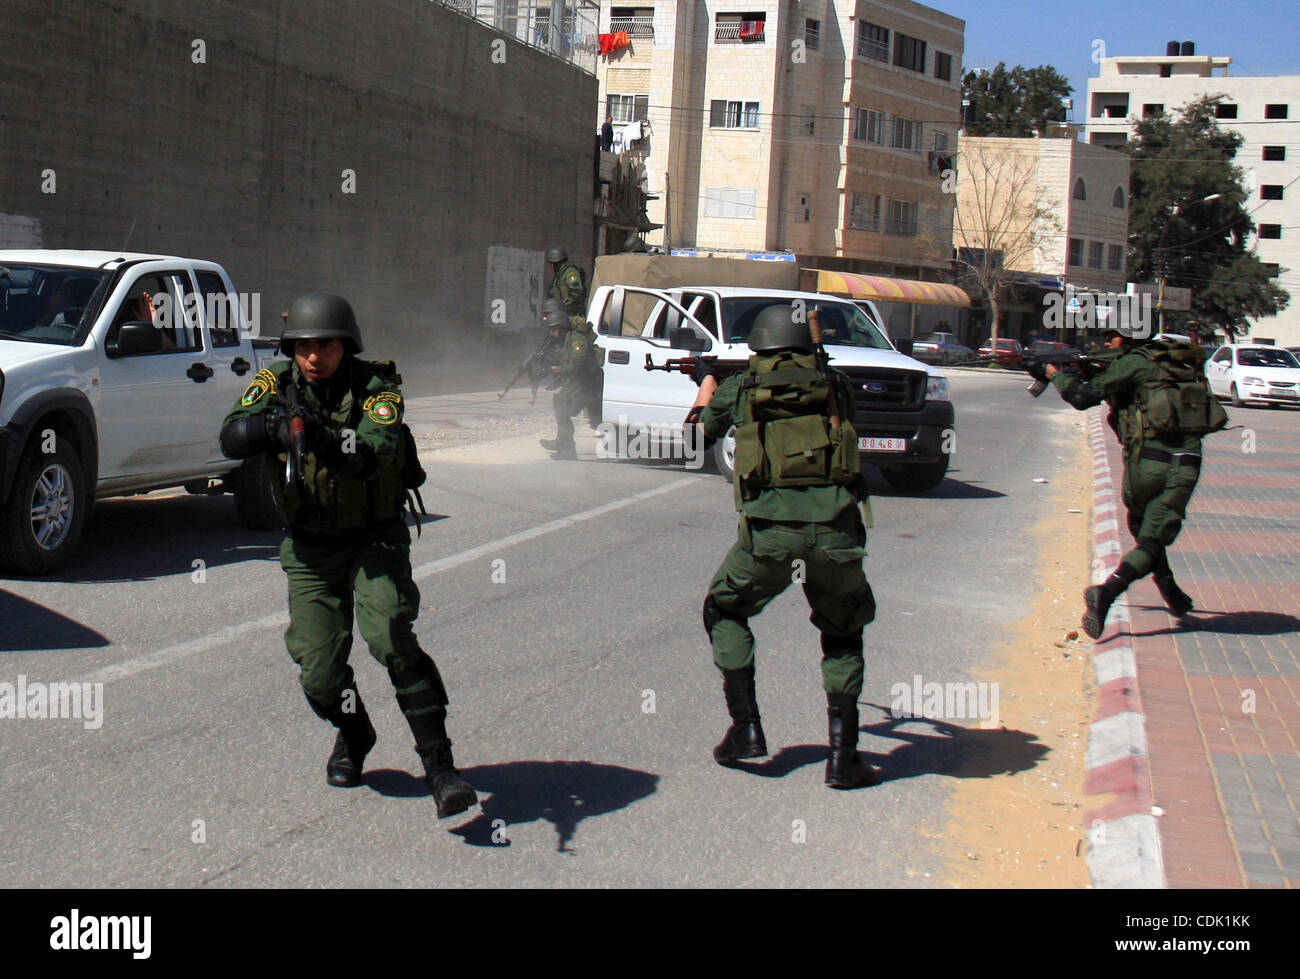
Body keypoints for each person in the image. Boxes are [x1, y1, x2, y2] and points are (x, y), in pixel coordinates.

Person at [218, 292, 478, 819]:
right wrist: (268, 427)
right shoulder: (275, 383)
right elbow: (229, 437)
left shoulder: (377, 388)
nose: (315, 357)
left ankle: (441, 767)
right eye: (305, 346)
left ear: (346, 346)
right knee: (318, 672)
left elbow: (372, 456)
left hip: (373, 537)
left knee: (390, 638)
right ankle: (355, 734)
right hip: (310, 545)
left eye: (327, 345)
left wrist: (321, 435)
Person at [689, 302, 880, 789]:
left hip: (769, 538)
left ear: (759, 343)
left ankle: (747, 728)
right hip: (837, 534)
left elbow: (693, 440)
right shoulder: (835, 387)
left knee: (724, 610)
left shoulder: (741, 388)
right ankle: (844, 757)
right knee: (841, 632)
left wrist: (707, 388)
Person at [1046, 328, 1226, 639]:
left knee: (1147, 532)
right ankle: (1156, 591)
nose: (1106, 343)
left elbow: (1083, 397)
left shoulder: (1132, 363)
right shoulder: (1181, 363)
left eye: (1111, 337)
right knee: (1152, 535)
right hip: (1185, 461)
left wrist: (1053, 375)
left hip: (1146, 462)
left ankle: (1111, 591)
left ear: (1128, 339)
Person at [538, 298, 602, 460]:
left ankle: (567, 448)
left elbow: (577, 365)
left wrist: (554, 369)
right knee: (561, 405)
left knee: (564, 407)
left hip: (589, 383)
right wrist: (547, 362)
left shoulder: (576, 340)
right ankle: (563, 442)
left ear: (562, 327)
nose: (552, 333)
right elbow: (564, 360)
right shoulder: (566, 340)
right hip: (580, 383)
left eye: (554, 329)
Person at [546, 246, 588, 328]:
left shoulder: (570, 272)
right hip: (563, 315)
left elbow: (577, 290)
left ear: (557, 262)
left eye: (552, 264)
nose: (551, 267)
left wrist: (564, 305)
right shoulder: (559, 276)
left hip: (572, 316)